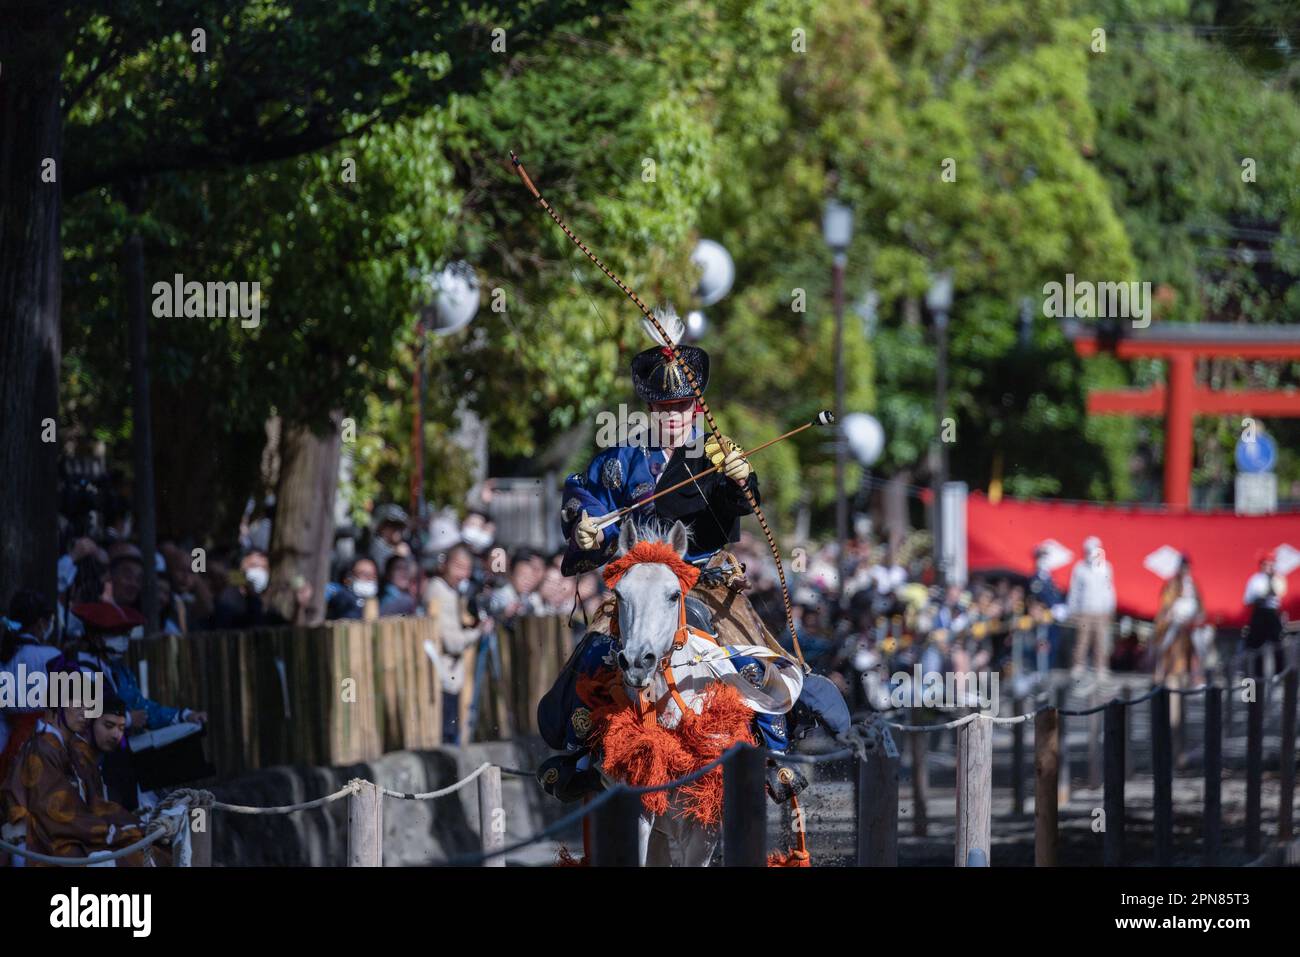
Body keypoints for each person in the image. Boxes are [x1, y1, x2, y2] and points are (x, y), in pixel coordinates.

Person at [557, 305, 780, 653]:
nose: (673, 416)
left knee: (757, 672)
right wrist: (589, 530)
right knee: (582, 673)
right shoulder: (621, 458)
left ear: (696, 407)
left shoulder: (716, 452)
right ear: (651, 409)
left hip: (705, 583)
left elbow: (739, 503)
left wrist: (742, 479)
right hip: (636, 589)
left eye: (682, 406)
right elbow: (587, 501)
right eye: (664, 408)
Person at [0, 656, 150, 866]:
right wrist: (115, 832)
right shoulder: (41, 749)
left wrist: (135, 825)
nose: (85, 713)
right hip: (44, 843)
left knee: (150, 848)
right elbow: (58, 815)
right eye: (78, 704)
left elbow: (95, 804)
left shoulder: (77, 749)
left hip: (74, 833)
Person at [73, 602, 208, 733]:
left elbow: (141, 707)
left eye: (125, 634)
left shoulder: (119, 671)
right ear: (95, 637)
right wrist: (128, 719)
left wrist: (184, 716)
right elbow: (82, 717)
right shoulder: (79, 670)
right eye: (115, 633)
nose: (122, 639)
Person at [424, 544, 488, 743]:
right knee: (446, 737)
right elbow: (451, 641)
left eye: (467, 569)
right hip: (441, 675)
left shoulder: (453, 591)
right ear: (444, 565)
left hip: (452, 675)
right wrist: (478, 632)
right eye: (458, 567)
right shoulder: (438, 590)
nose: (463, 574)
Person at [0, 590, 62, 784]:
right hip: (43, 743)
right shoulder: (51, 656)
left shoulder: (4, 657)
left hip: (5, 745)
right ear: (41, 623)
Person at [1067, 535, 1116, 675]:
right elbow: (1074, 590)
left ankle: (1101, 667)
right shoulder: (1080, 568)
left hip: (1101, 611)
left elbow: (1109, 590)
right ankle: (1078, 666)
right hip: (1084, 611)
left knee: (1101, 641)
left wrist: (1110, 609)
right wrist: (1072, 609)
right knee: (1082, 640)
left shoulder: (1106, 568)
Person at [1154, 554, 1202, 683]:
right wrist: (1170, 614)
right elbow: (1167, 602)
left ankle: (1196, 676)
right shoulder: (1173, 583)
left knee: (1198, 644)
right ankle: (1161, 671)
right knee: (1166, 642)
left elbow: (1199, 603)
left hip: (1191, 621)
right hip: (1175, 619)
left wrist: (1198, 617)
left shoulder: (1193, 584)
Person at [1243, 549, 1286, 676]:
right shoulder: (1255, 580)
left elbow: (1279, 592)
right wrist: (1260, 596)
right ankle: (1257, 674)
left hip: (1272, 613)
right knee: (1256, 645)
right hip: (1259, 613)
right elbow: (1248, 599)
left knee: (1278, 643)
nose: (1268, 567)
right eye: (1266, 564)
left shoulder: (1278, 579)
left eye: (1271, 564)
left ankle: (1279, 673)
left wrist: (1271, 583)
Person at [211, 550, 269, 629]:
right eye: (254, 566)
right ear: (241, 567)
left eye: (264, 568)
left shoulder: (272, 601)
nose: (259, 571)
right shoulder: (227, 596)